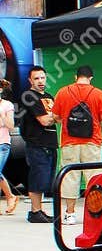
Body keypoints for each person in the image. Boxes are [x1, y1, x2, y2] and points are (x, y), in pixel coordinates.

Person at [52, 65, 102, 226]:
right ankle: (94, 213)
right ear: (91, 78)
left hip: (69, 142)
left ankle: (70, 214)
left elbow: (56, 116)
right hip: (92, 142)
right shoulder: (98, 93)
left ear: (75, 77)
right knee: (94, 177)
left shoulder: (63, 92)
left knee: (70, 177)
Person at [18, 67, 57, 224]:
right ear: (30, 80)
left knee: (46, 179)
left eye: (42, 78)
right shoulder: (29, 96)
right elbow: (44, 120)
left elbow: (56, 118)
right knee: (38, 177)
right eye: (36, 78)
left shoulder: (48, 97)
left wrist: (55, 116)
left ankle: (39, 210)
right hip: (36, 143)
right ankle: (35, 211)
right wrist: (56, 115)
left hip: (50, 142)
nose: (40, 81)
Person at [0, 78, 17, 214]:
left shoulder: (7, 105)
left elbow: (11, 125)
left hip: (3, 143)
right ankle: (10, 196)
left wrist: (1, 114)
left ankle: (10, 196)